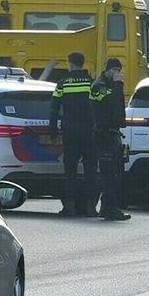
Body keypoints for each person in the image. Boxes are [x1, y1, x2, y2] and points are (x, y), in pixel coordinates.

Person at [49, 51, 94, 215]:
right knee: (90, 170)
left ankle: (70, 207)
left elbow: (54, 109)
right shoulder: (91, 82)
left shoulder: (63, 83)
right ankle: (91, 208)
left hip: (70, 131)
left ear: (71, 64)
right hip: (90, 131)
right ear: (82, 64)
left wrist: (52, 131)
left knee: (70, 171)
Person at [90, 57, 131, 220]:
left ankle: (109, 206)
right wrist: (118, 85)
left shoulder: (110, 86)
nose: (117, 73)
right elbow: (112, 104)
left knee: (114, 174)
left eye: (119, 71)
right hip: (103, 134)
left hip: (112, 133)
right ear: (107, 70)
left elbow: (119, 107)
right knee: (108, 175)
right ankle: (108, 208)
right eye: (114, 70)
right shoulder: (99, 86)